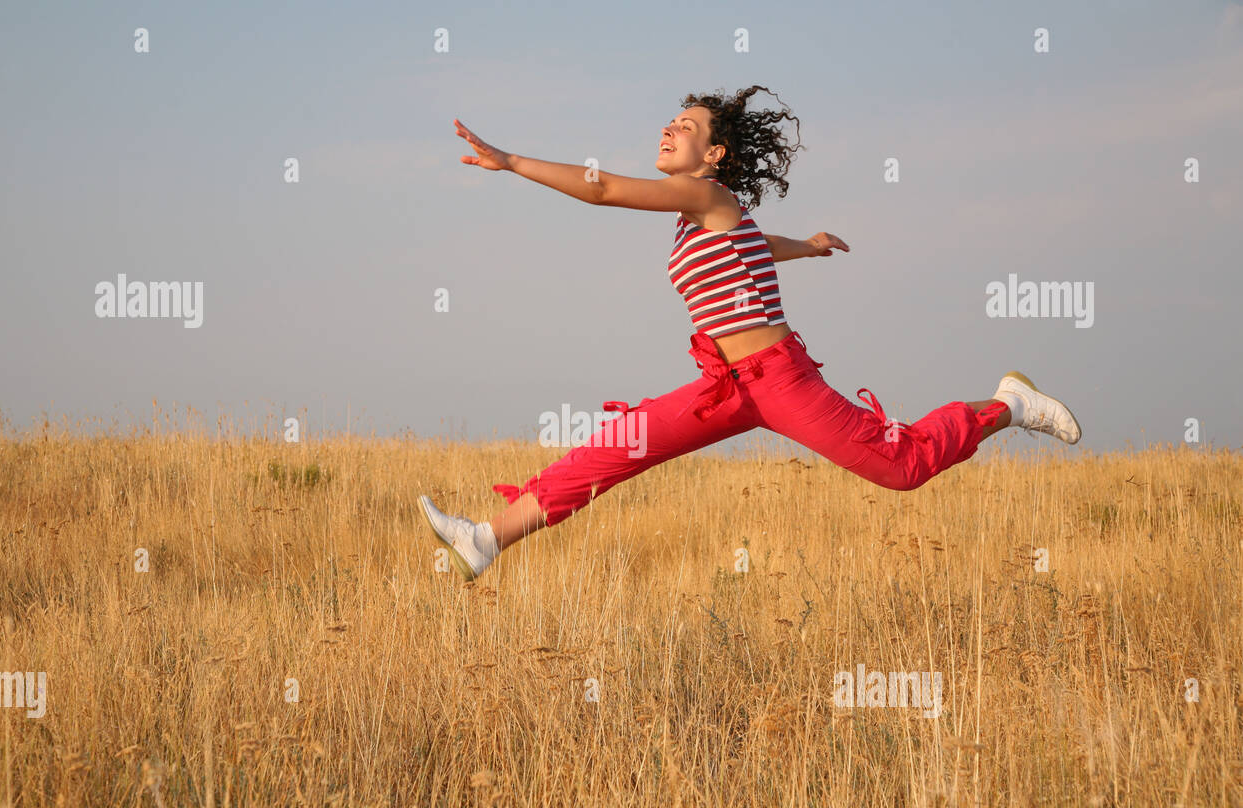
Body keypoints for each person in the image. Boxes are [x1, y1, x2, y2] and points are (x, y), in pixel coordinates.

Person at [419, 86, 1081, 582]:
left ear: (713, 154)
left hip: (782, 382)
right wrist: (810, 245)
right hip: (725, 387)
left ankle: (1009, 406)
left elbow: (602, 191)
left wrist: (509, 161)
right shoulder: (709, 218)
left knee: (902, 467)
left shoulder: (706, 197)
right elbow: (755, 245)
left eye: (686, 126)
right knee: (618, 447)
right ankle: (487, 540)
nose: (668, 128)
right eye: (669, 120)